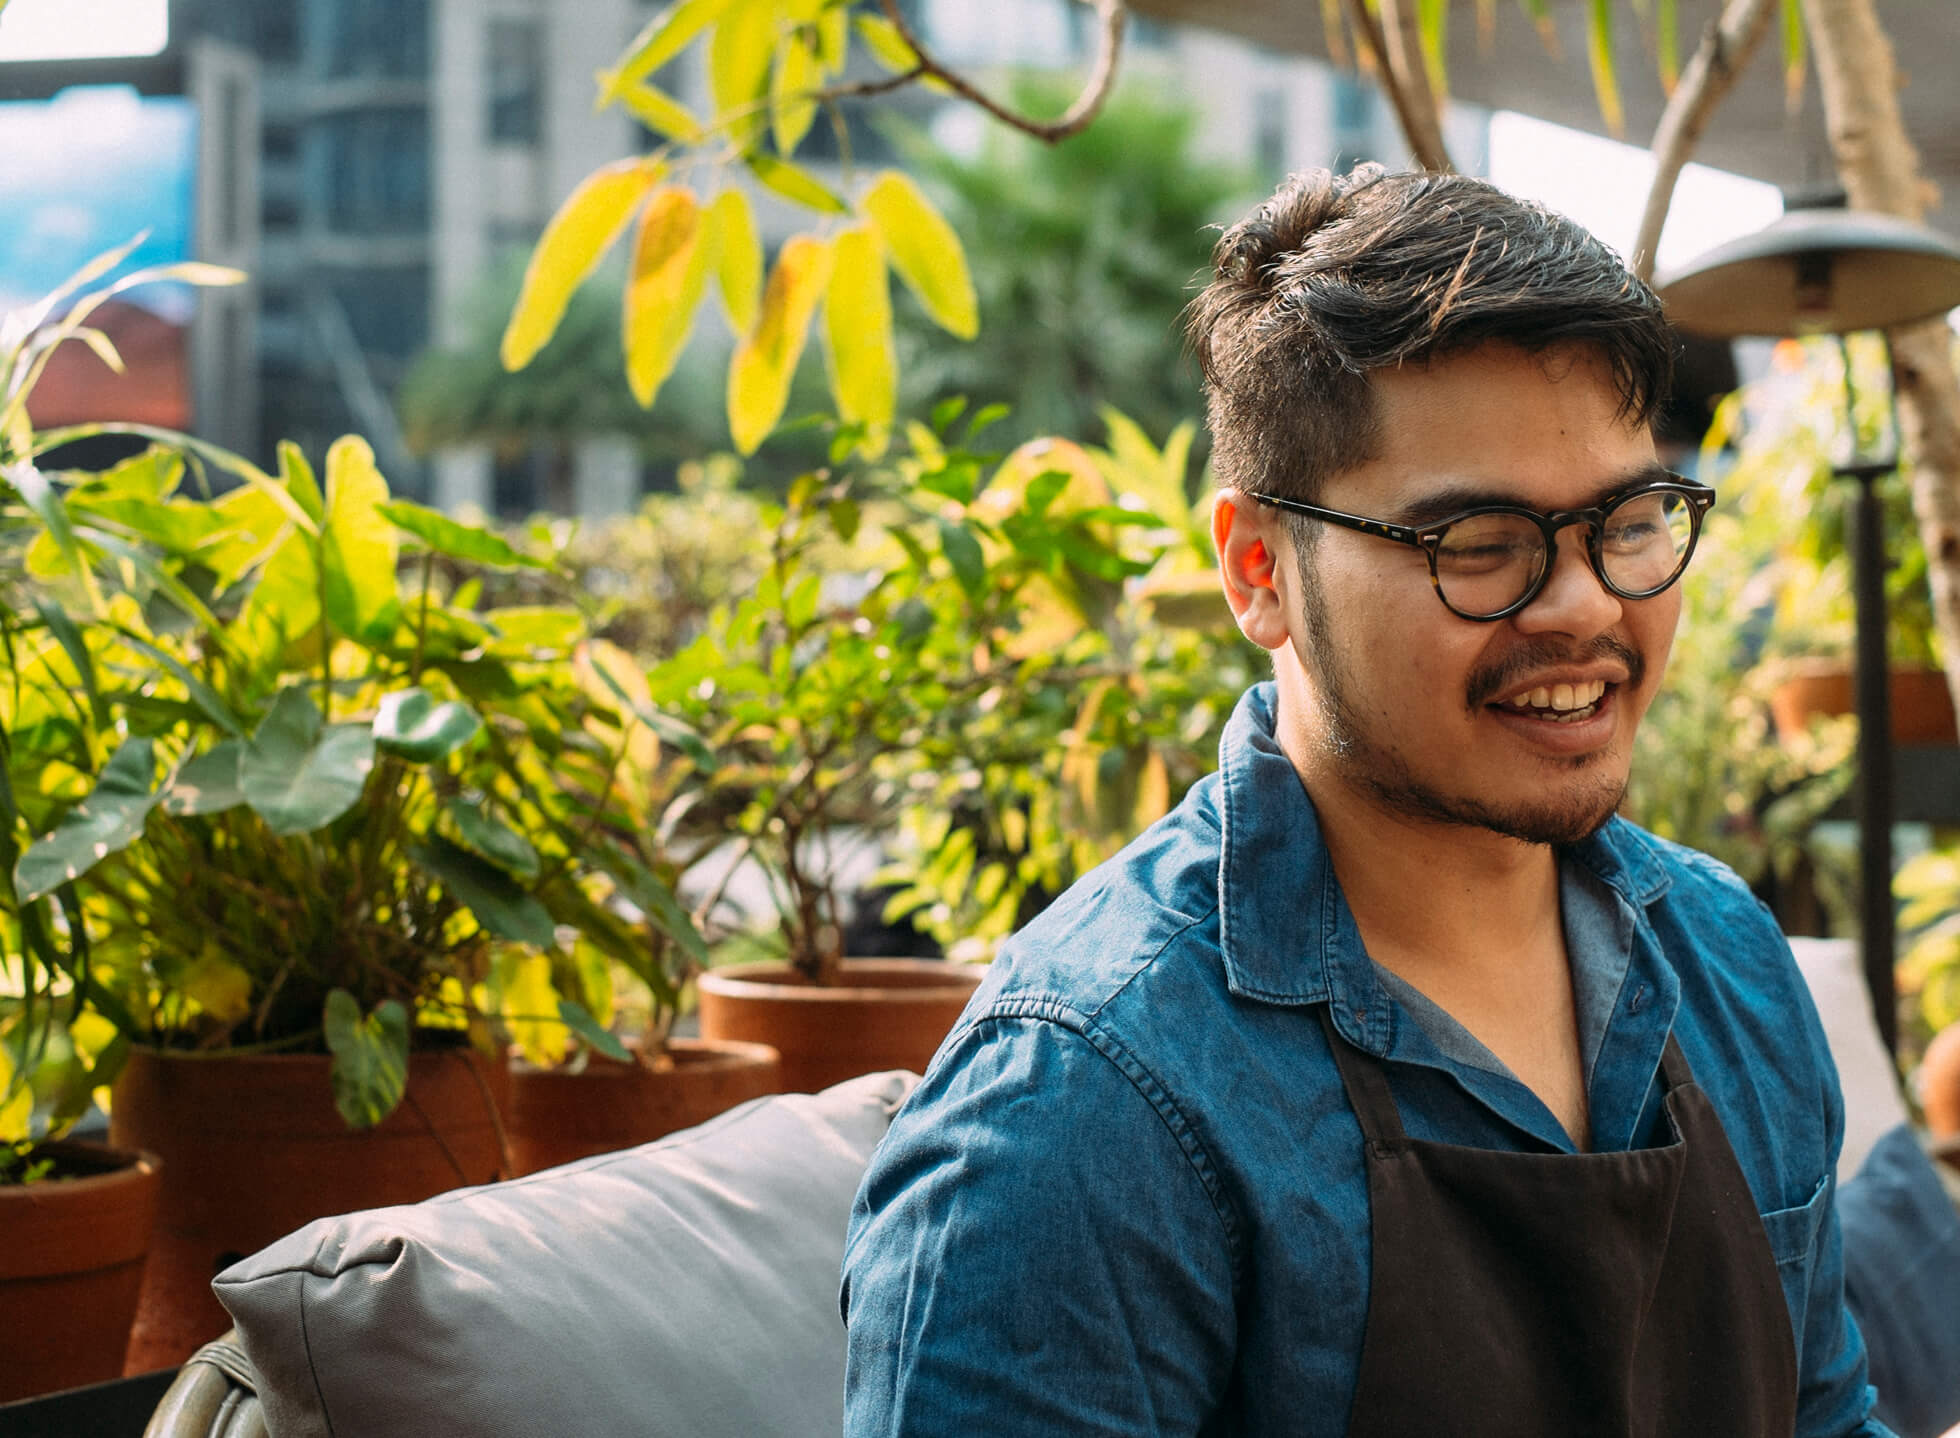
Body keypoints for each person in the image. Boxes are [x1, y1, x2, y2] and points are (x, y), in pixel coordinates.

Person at [839, 164, 1890, 1436]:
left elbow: (1821, 1414)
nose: (1584, 607)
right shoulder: (1084, 1106)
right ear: (1255, 568)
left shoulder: (1721, 953)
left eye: (1626, 518)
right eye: (1477, 542)